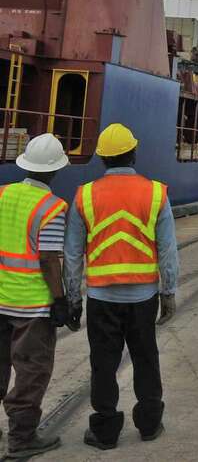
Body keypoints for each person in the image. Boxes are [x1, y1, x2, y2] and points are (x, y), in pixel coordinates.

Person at [64, 124, 179, 450]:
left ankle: (104, 432)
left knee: (103, 363)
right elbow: (168, 249)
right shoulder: (156, 193)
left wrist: (73, 299)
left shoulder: (84, 195)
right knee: (146, 358)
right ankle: (149, 424)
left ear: (102, 159)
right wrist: (168, 292)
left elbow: (72, 254)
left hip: (101, 298)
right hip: (144, 297)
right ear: (134, 154)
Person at [0, 135, 74, 459]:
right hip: (32, 306)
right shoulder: (53, 207)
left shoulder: (3, 194)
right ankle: (22, 439)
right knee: (31, 372)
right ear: (55, 171)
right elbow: (48, 259)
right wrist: (60, 300)